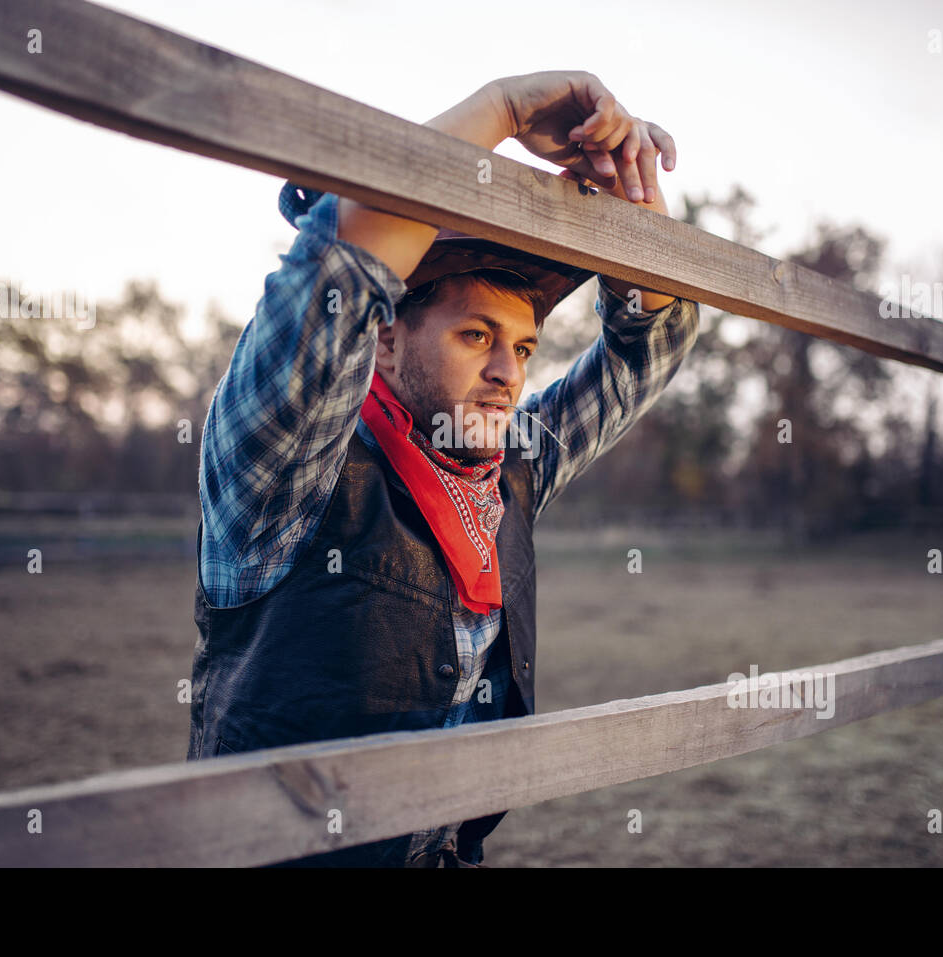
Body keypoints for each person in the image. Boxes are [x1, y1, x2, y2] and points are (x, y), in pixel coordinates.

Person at [186, 70, 701, 866]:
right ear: (384, 336)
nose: (509, 373)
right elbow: (334, 280)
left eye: (523, 346)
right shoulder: (291, 471)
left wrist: (631, 206)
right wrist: (504, 110)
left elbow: (646, 353)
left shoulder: (510, 466)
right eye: (475, 336)